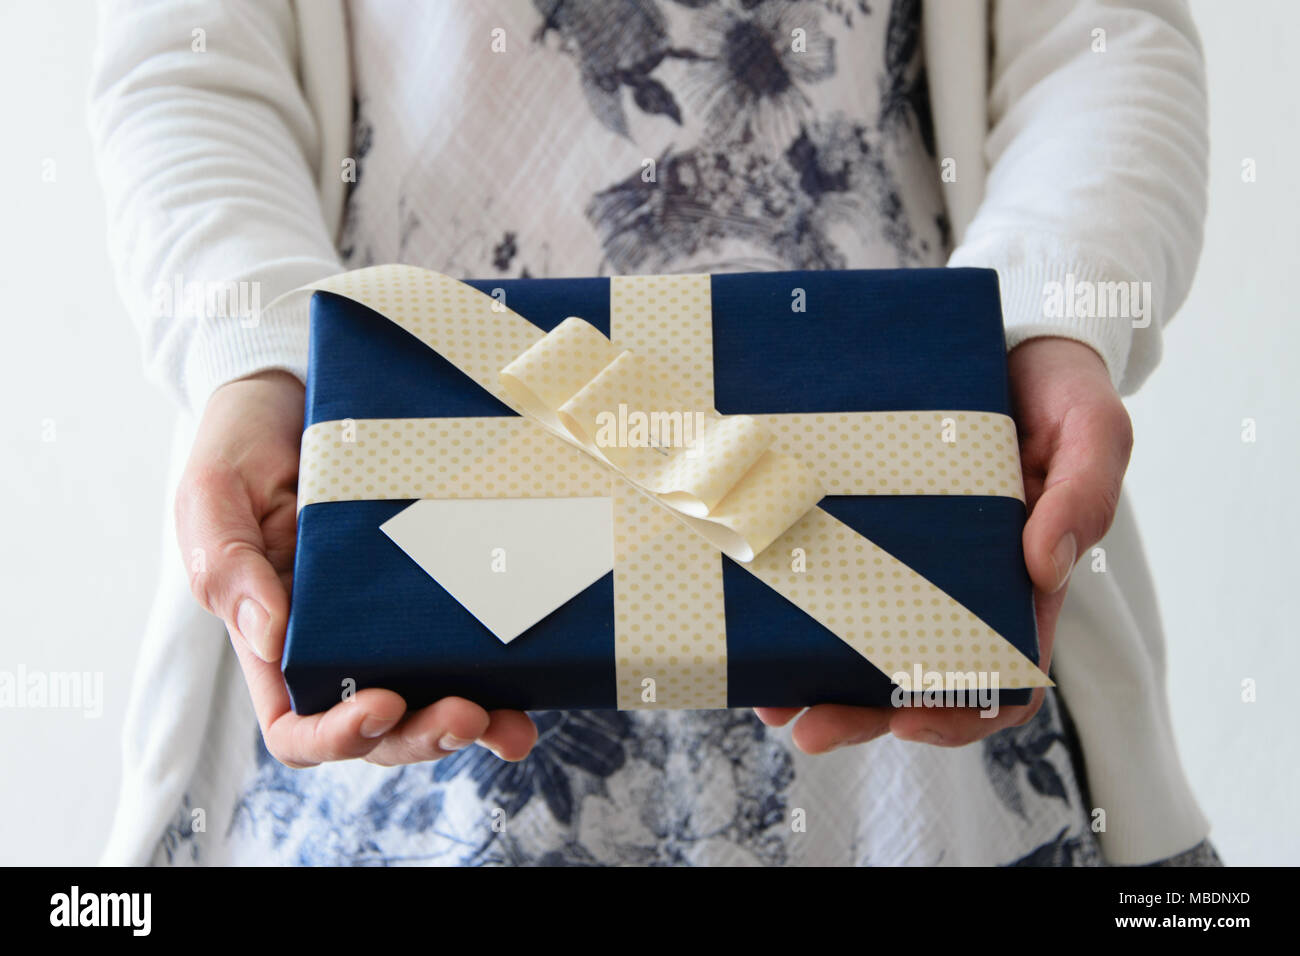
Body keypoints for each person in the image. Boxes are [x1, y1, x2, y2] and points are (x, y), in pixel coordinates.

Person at [90, 0, 1217, 865]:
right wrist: (255, 359)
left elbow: (1094, 36)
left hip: (897, 548)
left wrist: (1055, 319)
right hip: (394, 516)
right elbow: (190, 63)